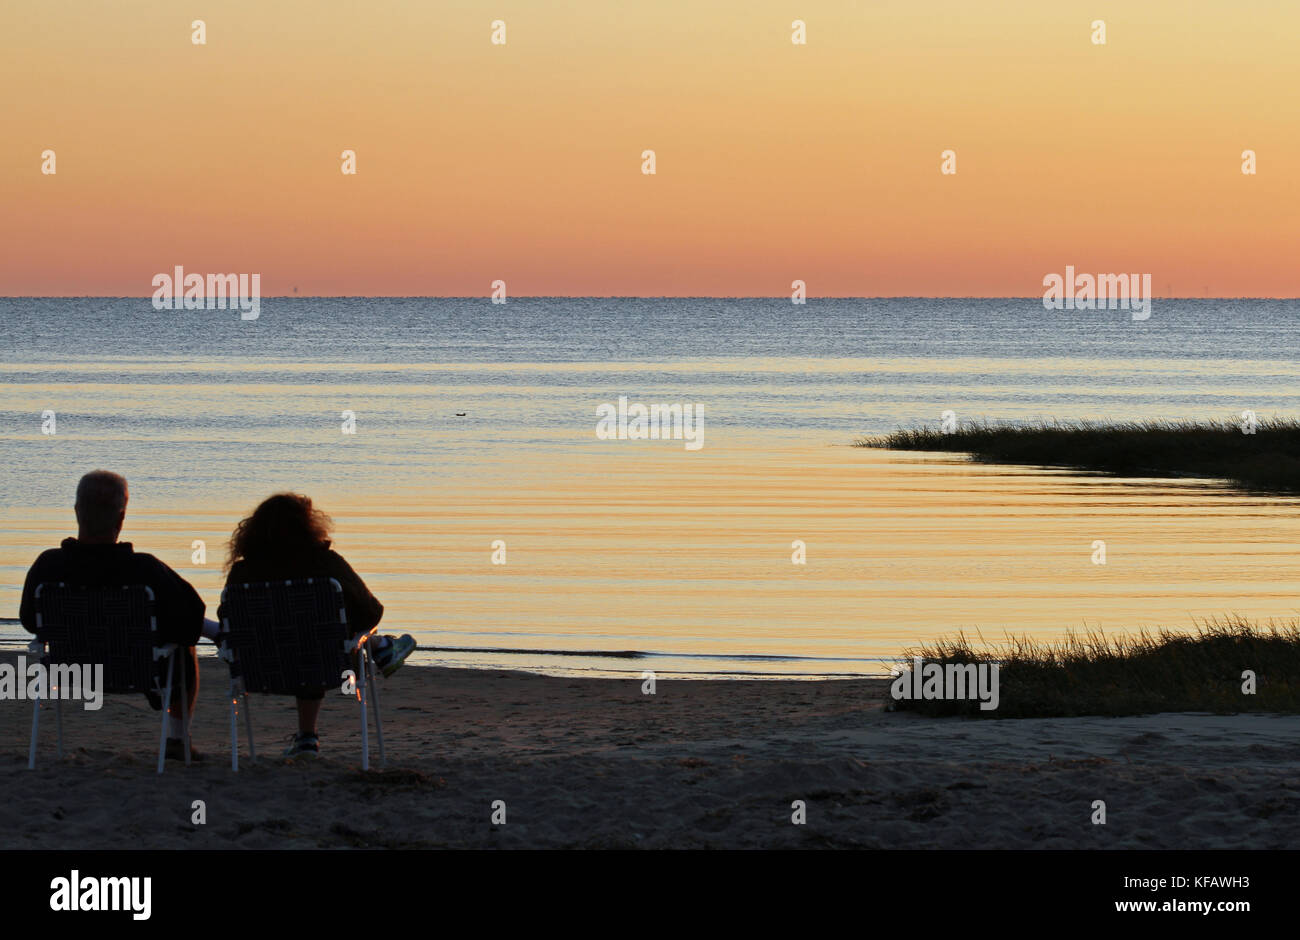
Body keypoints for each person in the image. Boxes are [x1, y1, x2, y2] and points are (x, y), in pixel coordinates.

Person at [19, 470, 217, 761]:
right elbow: (189, 620)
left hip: (72, 672)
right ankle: (176, 738)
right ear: (122, 518)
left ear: (76, 512)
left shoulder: (48, 566)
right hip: (138, 670)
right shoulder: (145, 569)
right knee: (182, 644)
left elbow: (28, 620)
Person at [219, 493, 415, 759]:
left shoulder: (241, 573)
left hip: (258, 670)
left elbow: (227, 621)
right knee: (322, 637)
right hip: (326, 665)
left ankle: (306, 738)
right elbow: (371, 613)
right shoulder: (326, 563)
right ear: (308, 526)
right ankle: (382, 648)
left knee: (306, 636)